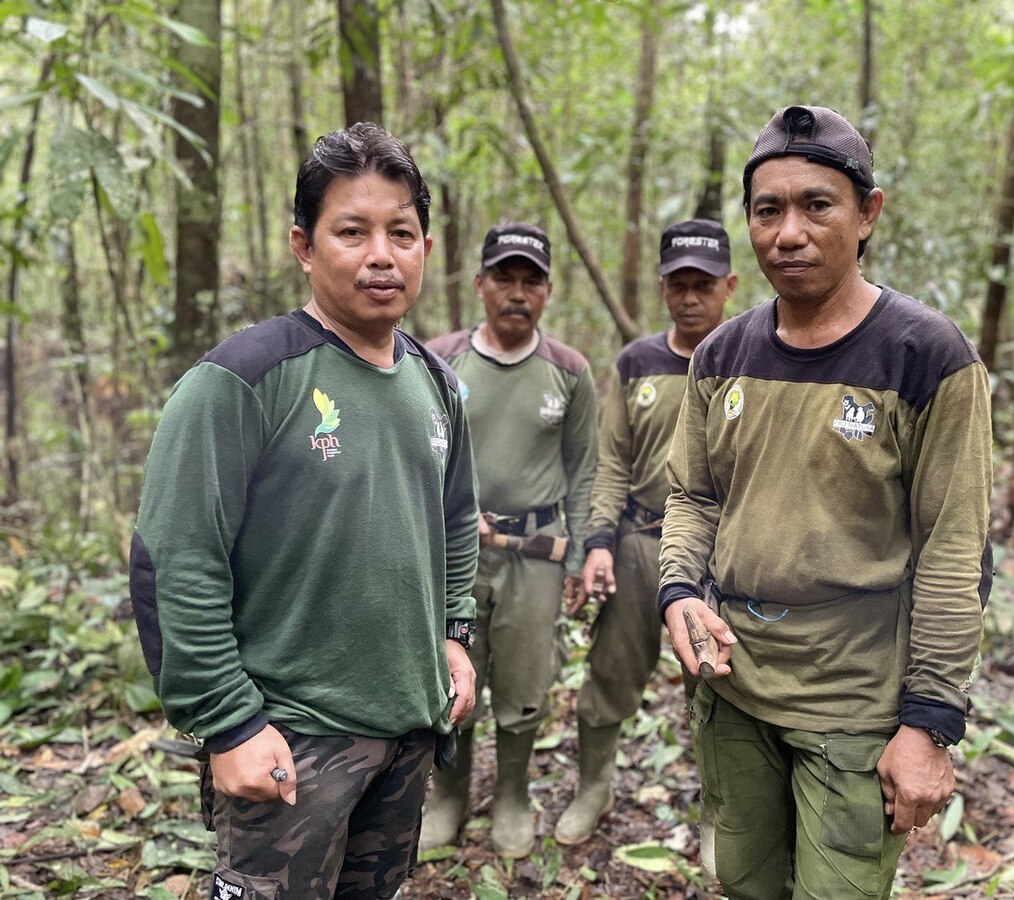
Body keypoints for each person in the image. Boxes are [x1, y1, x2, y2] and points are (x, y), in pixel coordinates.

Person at [129, 122, 480, 900]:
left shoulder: (438, 385)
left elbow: (455, 521)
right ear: (304, 245)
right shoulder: (244, 378)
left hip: (407, 725)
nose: (381, 255)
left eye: (402, 232)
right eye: (351, 232)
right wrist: (227, 724)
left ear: (427, 245)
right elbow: (174, 558)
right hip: (289, 734)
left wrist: (455, 636)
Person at [658, 105, 993, 899]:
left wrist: (930, 723)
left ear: (867, 212)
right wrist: (677, 591)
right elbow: (693, 495)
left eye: (818, 204)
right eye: (768, 210)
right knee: (743, 878)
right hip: (734, 687)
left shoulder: (927, 357)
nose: (789, 232)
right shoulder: (722, 353)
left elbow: (955, 549)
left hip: (854, 705)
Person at [554, 219, 737, 862]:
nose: (691, 297)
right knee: (612, 669)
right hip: (641, 540)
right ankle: (595, 786)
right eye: (679, 284)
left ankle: (719, 812)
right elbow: (612, 462)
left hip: (720, 553)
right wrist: (599, 541)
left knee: (714, 684)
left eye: (704, 285)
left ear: (729, 286)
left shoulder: (750, 355)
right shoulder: (637, 363)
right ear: (663, 288)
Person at [422, 223, 598, 858]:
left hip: (536, 553)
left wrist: (579, 556)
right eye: (504, 278)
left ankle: (514, 794)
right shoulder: (438, 361)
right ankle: (448, 794)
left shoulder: (570, 373)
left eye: (531, 280)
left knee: (525, 683)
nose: (517, 292)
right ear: (479, 285)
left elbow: (584, 471)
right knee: (453, 674)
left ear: (548, 291)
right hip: (455, 551)